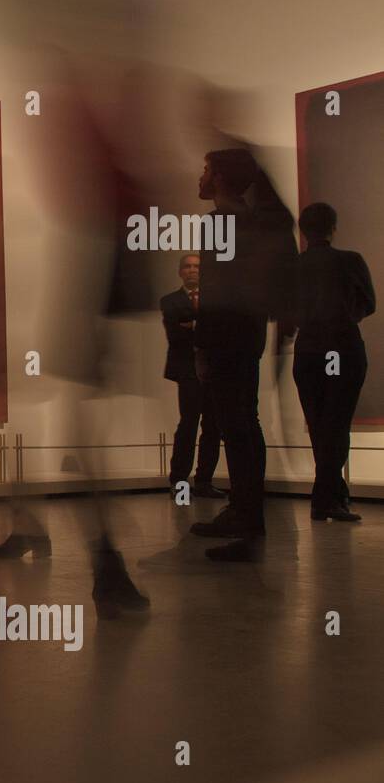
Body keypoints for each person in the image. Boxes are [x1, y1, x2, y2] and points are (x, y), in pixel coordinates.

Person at [189, 149, 298, 561]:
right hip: (245, 337)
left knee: (237, 427)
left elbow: (217, 291)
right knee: (244, 425)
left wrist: (202, 345)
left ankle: (247, 519)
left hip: (225, 339)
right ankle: (245, 513)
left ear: (218, 177)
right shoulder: (251, 223)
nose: (199, 177)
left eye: (205, 169)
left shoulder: (218, 223)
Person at [292, 202, 375, 521]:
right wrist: (342, 319)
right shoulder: (349, 261)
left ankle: (331, 494)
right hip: (339, 348)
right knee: (336, 423)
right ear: (333, 227)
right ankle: (326, 497)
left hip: (310, 350)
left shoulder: (295, 267)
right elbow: (368, 303)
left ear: (303, 231)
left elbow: (286, 311)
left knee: (319, 424)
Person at [160, 253, 224, 498]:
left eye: (196, 266)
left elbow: (214, 332)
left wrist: (193, 326)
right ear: (180, 272)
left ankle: (204, 481)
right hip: (187, 370)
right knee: (188, 424)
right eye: (187, 266)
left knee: (212, 426)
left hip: (212, 370)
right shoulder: (170, 300)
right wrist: (204, 327)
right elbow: (176, 335)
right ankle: (178, 480)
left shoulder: (214, 299)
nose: (192, 270)